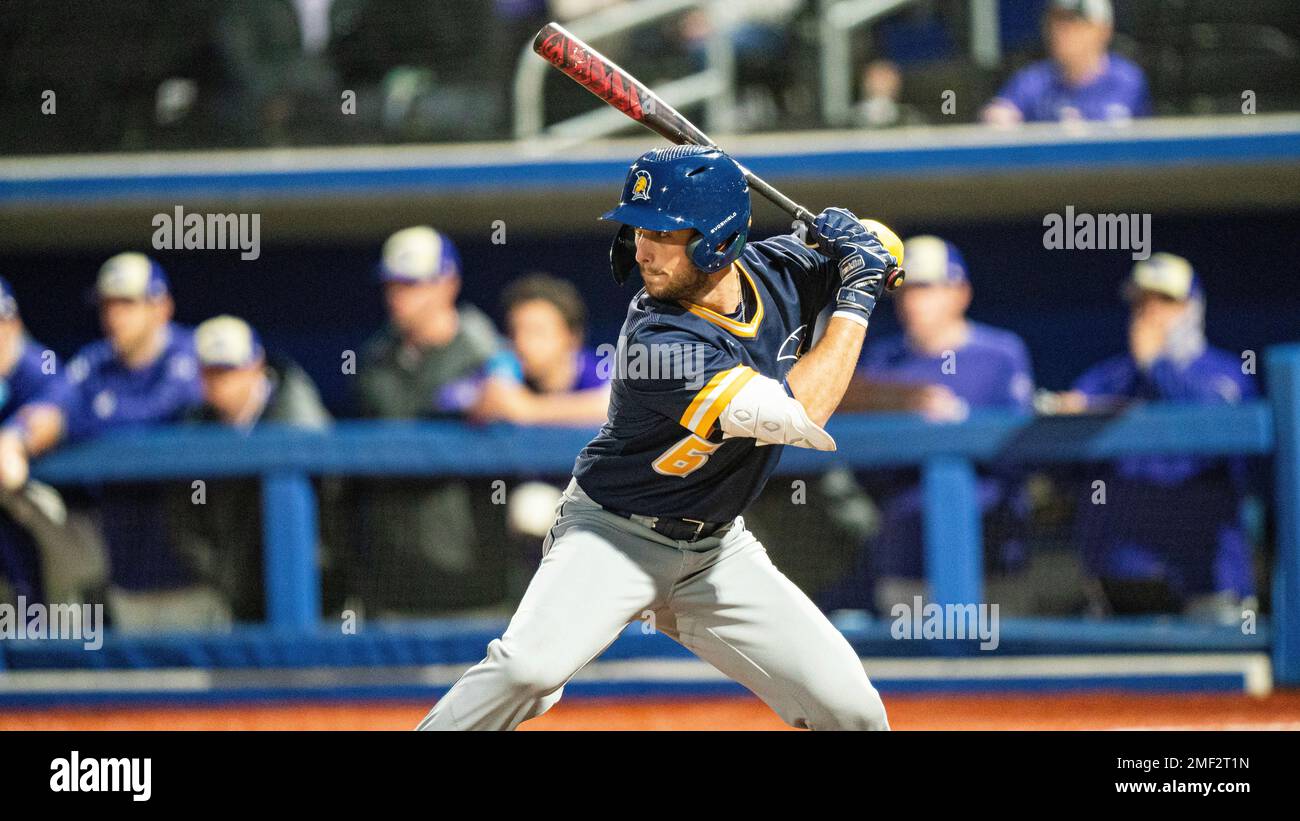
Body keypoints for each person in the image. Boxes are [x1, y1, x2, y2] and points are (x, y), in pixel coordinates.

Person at [417, 145, 898, 731]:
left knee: (852, 710)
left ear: (717, 238)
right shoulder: (657, 342)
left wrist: (854, 238)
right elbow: (800, 412)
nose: (642, 248)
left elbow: (884, 248)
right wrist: (857, 293)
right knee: (526, 672)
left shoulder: (782, 270)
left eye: (662, 231)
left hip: (716, 552)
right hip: (614, 536)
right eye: (638, 229)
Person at [2, 253, 216, 629]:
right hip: (127, 574)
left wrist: (81, 423)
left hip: (195, 575)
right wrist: (16, 438)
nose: (115, 316)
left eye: (128, 303)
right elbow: (52, 407)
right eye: (108, 305)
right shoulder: (96, 363)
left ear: (161, 307)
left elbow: (151, 417)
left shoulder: (192, 357)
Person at [828, 236, 1035, 612]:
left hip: (992, 551)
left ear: (960, 293)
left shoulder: (1000, 354)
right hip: (905, 551)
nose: (912, 301)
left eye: (926, 288)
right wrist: (899, 405)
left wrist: (959, 425)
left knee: (1001, 661)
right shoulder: (881, 360)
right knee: (910, 663)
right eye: (905, 289)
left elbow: (1019, 458)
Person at [1053, 254, 1257, 621]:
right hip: (1117, 587)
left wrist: (1157, 365)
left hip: (1208, 587)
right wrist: (1063, 421)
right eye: (1142, 301)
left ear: (1193, 308)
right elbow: (1061, 473)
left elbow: (1216, 435)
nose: (1151, 312)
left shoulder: (1224, 374)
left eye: (1166, 301)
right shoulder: (1107, 377)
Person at [353, 225, 517, 615]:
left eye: (413, 284)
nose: (399, 296)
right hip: (392, 580)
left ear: (448, 284)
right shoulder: (376, 358)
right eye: (393, 284)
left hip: (475, 581)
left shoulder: (488, 356)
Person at [167, 315, 334, 622]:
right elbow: (185, 516)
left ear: (256, 365)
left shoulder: (299, 418)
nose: (221, 382)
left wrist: (327, 573)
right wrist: (220, 573)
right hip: (238, 595)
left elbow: (334, 510)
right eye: (211, 371)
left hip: (313, 593)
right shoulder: (197, 426)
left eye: (229, 370)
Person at [0, 277, 105, 607]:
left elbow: (54, 414)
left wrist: (15, 437)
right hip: (12, 537)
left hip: (66, 525)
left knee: (58, 625)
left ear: (13, 324)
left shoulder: (39, 366)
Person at [471, 273, 610, 427]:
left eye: (537, 331)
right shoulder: (505, 368)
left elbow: (621, 407)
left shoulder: (600, 370)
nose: (522, 343)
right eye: (515, 331)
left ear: (572, 338)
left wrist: (530, 410)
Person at [982, 0, 1150, 126]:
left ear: (1102, 30)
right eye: (1056, 23)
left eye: (1074, 24)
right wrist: (1000, 118)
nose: (1062, 33)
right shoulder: (1034, 80)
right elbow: (1001, 111)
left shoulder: (1127, 80)